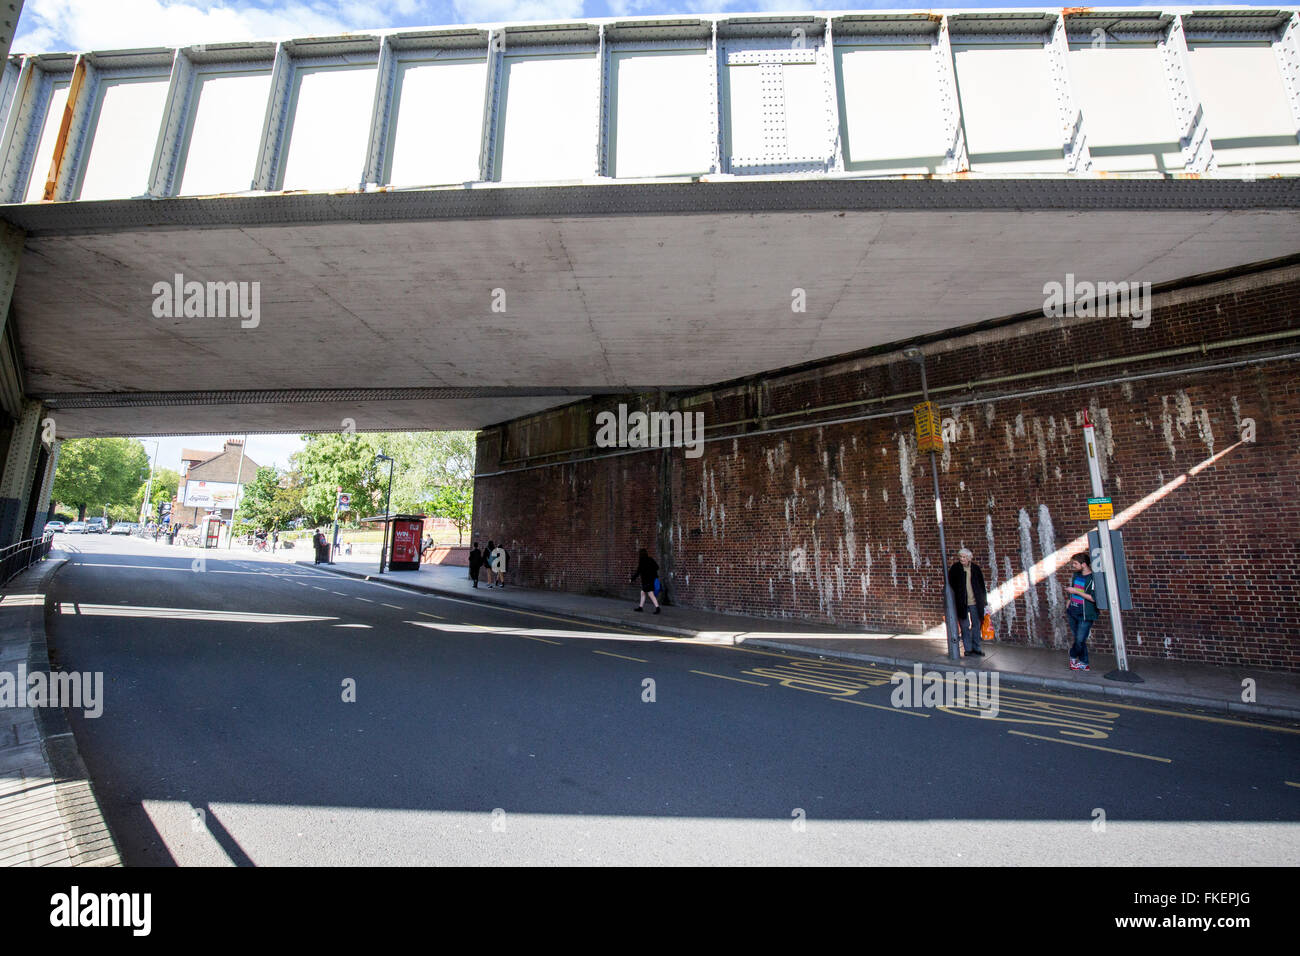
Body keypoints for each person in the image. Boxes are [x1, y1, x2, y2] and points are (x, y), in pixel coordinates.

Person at [947, 548, 987, 657]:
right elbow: (950, 584)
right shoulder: (955, 569)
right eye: (960, 557)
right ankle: (968, 649)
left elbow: (981, 586)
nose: (961, 559)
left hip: (975, 602)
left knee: (976, 626)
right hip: (962, 603)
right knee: (965, 626)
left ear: (969, 558)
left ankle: (977, 648)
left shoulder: (975, 569)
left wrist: (984, 602)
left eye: (964, 557)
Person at [1064, 552, 1099, 671]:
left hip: (1085, 613)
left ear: (1084, 564)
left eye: (1075, 563)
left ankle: (1073, 655)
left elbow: (1093, 598)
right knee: (1079, 639)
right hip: (1072, 611)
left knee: (1080, 639)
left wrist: (1075, 591)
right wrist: (1069, 601)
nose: (1073, 565)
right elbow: (1073, 591)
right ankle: (1084, 663)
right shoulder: (1076, 575)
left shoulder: (1093, 578)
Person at [629, 547, 660, 613]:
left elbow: (638, 572)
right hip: (652, 579)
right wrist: (651, 571)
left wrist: (632, 579)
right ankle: (641, 607)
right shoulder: (651, 559)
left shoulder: (642, 562)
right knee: (643, 592)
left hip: (646, 581)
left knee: (650, 594)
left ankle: (657, 608)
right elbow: (657, 567)